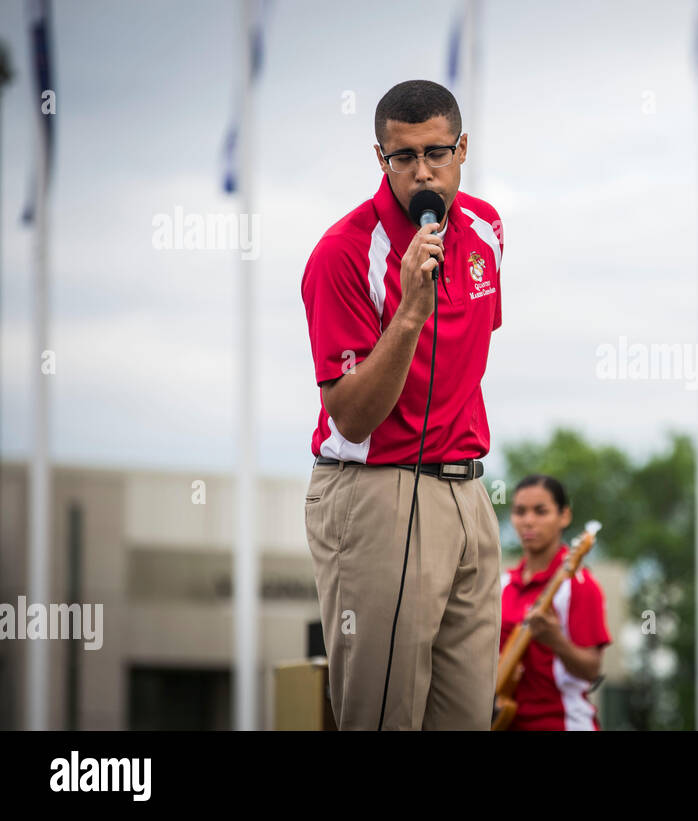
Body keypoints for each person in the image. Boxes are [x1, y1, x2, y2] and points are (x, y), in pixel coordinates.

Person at [300, 79, 504, 730]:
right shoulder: (343, 253)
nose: (422, 172)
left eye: (437, 153)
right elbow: (352, 415)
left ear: (462, 148)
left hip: (469, 491)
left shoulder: (487, 230)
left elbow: (466, 360)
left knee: (468, 717)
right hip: (379, 488)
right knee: (384, 717)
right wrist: (411, 310)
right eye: (403, 157)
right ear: (380, 158)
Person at [499, 475, 612, 731]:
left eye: (541, 511)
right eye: (520, 511)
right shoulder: (502, 584)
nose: (528, 521)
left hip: (562, 723)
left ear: (564, 516)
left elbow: (591, 671)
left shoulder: (579, 585)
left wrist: (555, 640)